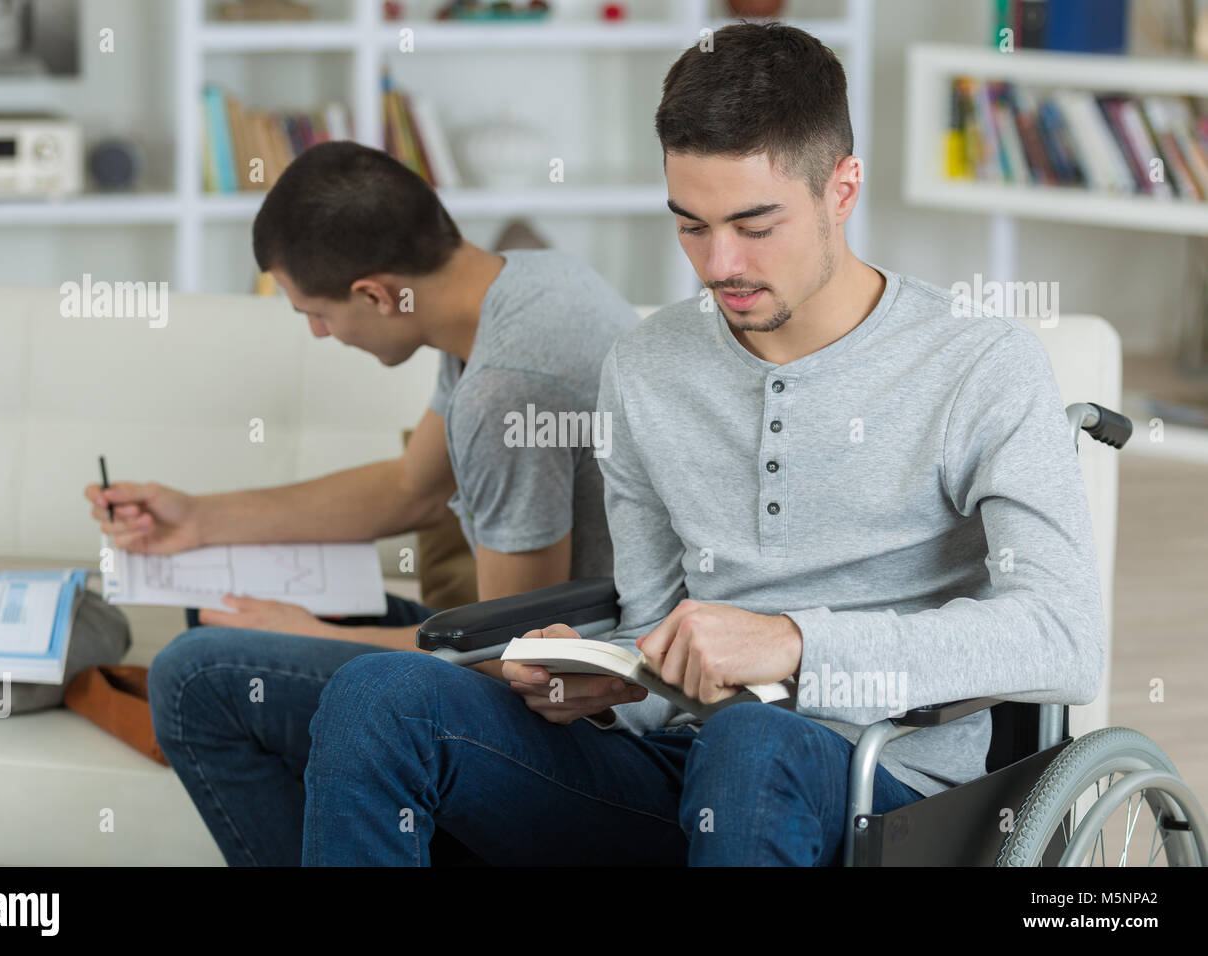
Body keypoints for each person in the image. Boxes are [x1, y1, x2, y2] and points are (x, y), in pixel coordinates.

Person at [301, 21, 1107, 866]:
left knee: (755, 743)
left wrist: (796, 642)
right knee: (379, 695)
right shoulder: (646, 367)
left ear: (842, 189)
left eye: (756, 226)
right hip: (683, 775)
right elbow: (653, 628)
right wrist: (615, 683)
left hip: (883, 793)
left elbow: (1063, 638)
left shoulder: (979, 362)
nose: (719, 265)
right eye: (691, 225)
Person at [84, 141, 639, 865]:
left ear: (374, 293)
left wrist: (308, 632)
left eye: (316, 312)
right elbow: (411, 487)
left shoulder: (509, 386)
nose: (318, 333)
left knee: (198, 678)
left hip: (589, 720)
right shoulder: (524, 286)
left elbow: (517, 665)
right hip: (528, 653)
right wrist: (198, 519)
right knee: (222, 607)